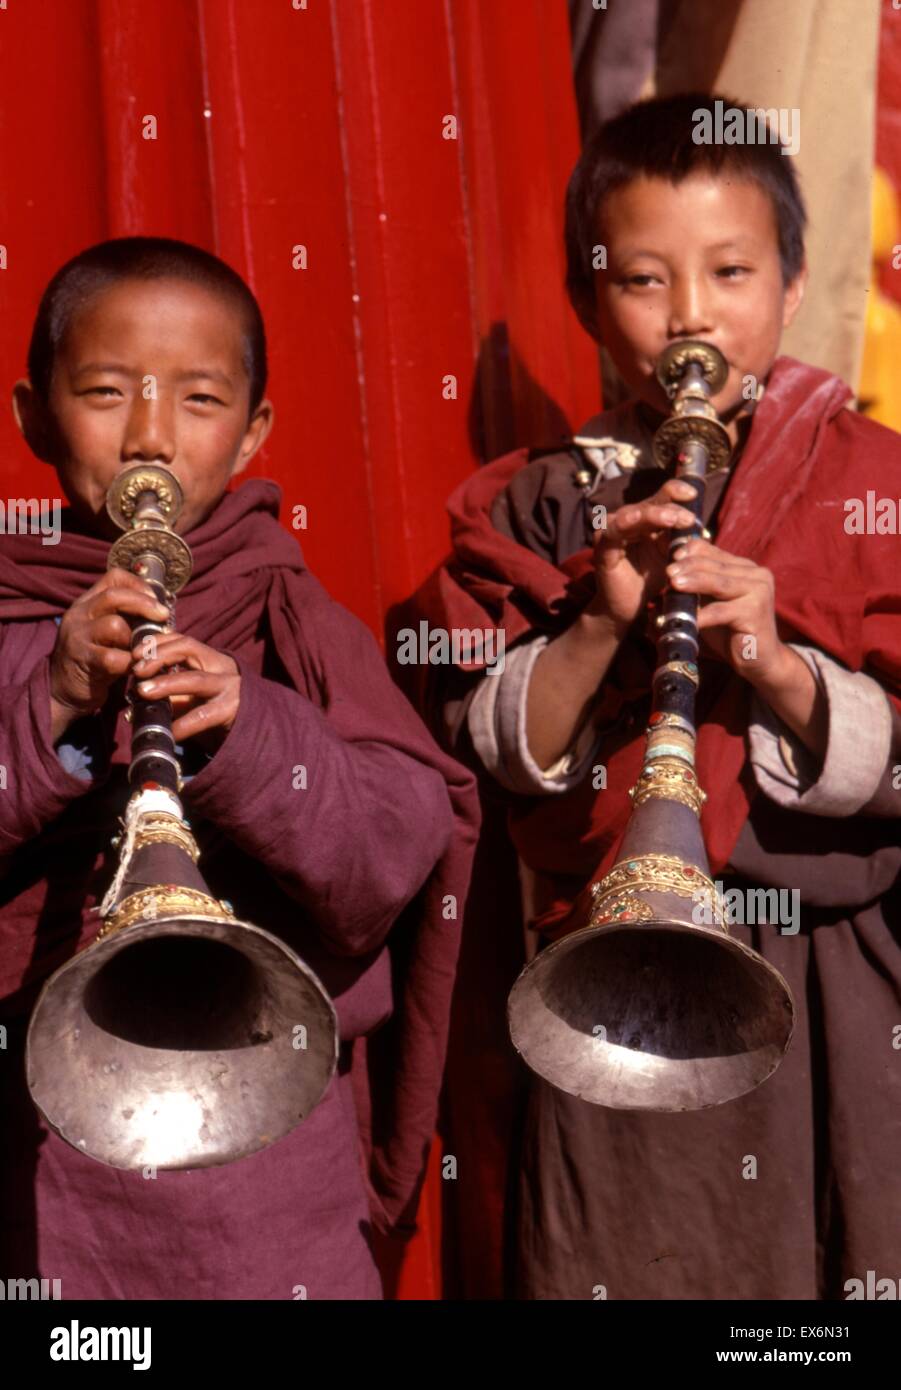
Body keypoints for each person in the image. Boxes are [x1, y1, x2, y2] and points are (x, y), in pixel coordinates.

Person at [413, 92, 901, 1300]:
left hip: (830, 969)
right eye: (643, 280)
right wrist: (598, 617)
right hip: (612, 978)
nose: (690, 315)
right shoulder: (539, 505)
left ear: (794, 285)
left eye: (729, 270)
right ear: (587, 306)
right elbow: (483, 737)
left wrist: (779, 664)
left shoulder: (872, 480)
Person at [0, 236, 479, 1300]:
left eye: (201, 399)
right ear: (34, 416)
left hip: (266, 1152)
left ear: (255, 432)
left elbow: (400, 837)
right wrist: (56, 698)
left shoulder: (284, 612)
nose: (152, 437)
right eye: (106, 391)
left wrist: (252, 734)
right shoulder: (17, 600)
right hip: (39, 1151)